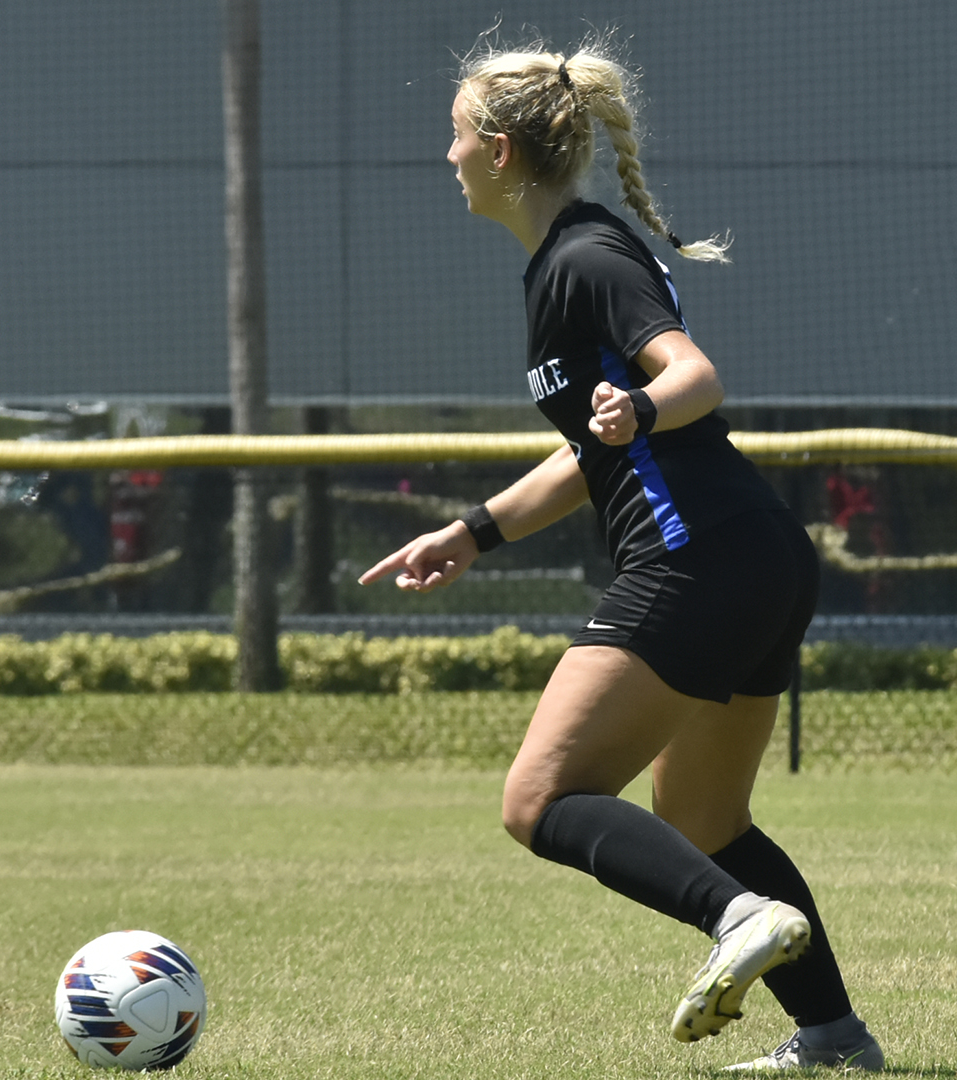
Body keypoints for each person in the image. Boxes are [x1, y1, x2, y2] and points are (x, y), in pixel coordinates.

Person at [359, 42, 884, 1072]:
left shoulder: (586, 258)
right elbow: (586, 456)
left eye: (459, 132)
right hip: (753, 555)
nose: (449, 152)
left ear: (500, 150)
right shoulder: (564, 258)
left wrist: (642, 400)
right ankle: (833, 1038)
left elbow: (693, 376)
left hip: (698, 560)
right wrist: (472, 532)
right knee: (700, 815)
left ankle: (737, 919)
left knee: (538, 801)